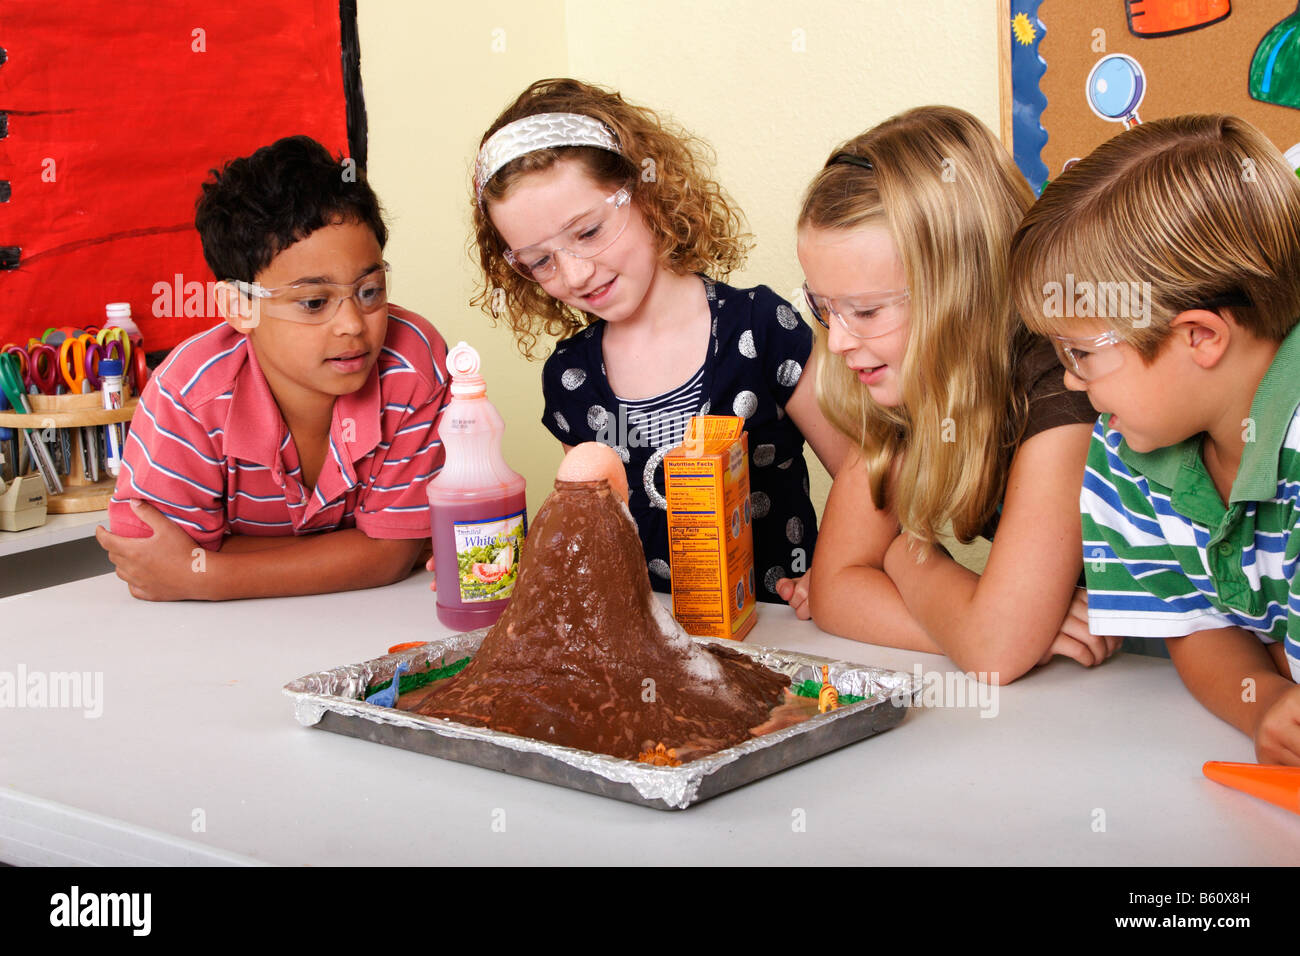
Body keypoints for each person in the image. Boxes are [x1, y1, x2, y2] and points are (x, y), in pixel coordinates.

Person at [469, 78, 849, 609]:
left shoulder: (762, 327)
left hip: (783, 630)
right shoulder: (571, 378)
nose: (575, 274)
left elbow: (863, 474)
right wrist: (499, 568)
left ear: (646, 192)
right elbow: (599, 533)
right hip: (655, 649)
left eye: (587, 232)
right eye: (539, 261)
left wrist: (835, 572)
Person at [1009, 114, 1300, 763]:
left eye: (1081, 352)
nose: (1071, 381)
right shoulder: (1127, 450)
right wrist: (1265, 709)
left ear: (1199, 337)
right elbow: (1195, 628)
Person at [799, 106, 1118, 682]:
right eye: (823, 307)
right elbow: (834, 590)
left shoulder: (1065, 389)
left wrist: (902, 555)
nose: (839, 340)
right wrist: (980, 624)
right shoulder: (901, 374)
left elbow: (995, 651)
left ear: (961, 291)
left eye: (867, 310)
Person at [98, 135, 451, 600]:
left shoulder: (413, 363)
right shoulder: (189, 395)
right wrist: (353, 549)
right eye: (312, 302)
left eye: (369, 290)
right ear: (239, 305)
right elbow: (148, 557)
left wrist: (206, 573)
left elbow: (392, 553)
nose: (352, 325)